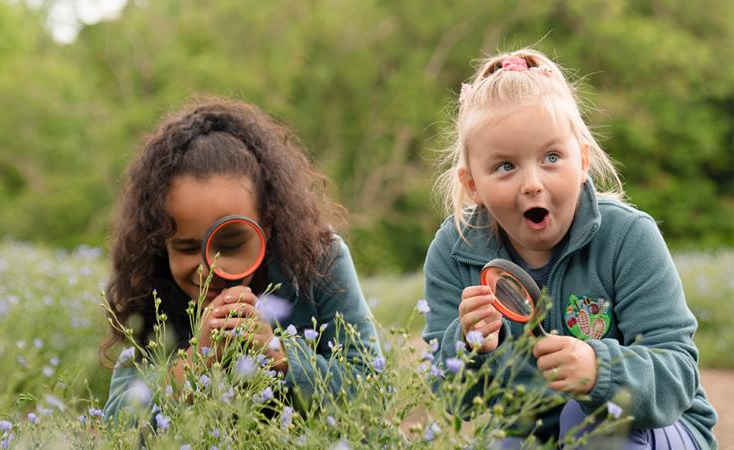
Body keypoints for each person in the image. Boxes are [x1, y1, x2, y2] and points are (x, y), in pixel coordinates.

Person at [423, 48, 717, 448]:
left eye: (551, 157)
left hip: (658, 430)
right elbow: (454, 403)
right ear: (473, 183)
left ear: (582, 161)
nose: (532, 183)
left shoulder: (628, 237)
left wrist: (601, 372)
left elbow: (678, 376)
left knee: (590, 418)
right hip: (535, 437)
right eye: (505, 166)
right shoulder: (453, 253)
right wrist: (469, 348)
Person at [100, 96, 380, 420]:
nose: (210, 268)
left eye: (230, 242)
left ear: (269, 222)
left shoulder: (319, 258)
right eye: (188, 248)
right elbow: (119, 424)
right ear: (161, 245)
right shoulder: (152, 288)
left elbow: (374, 388)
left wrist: (279, 354)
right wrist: (194, 363)